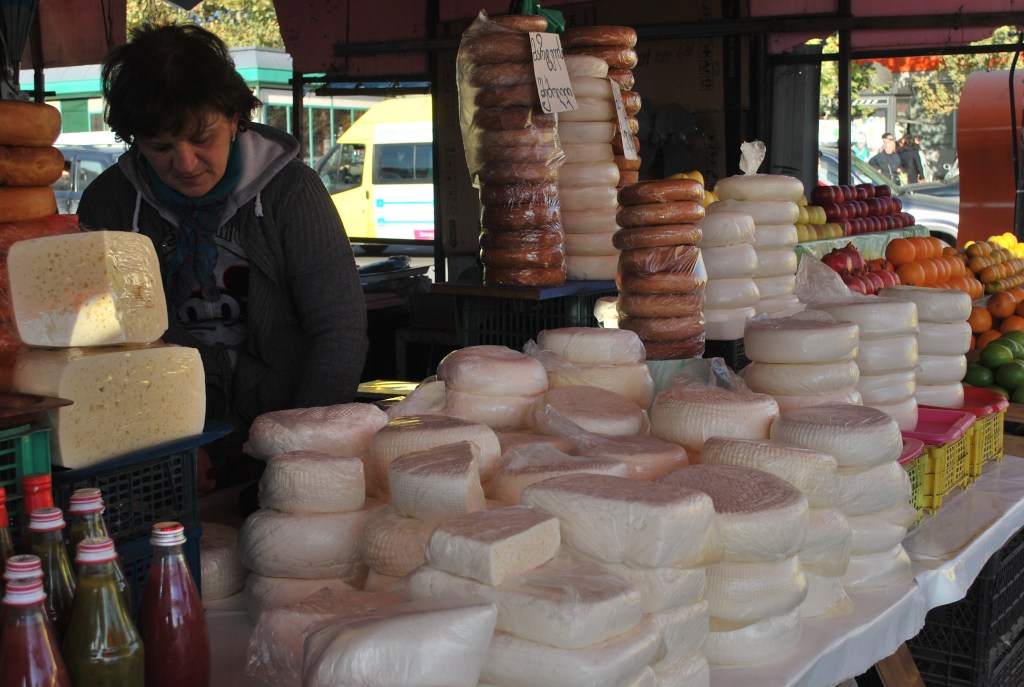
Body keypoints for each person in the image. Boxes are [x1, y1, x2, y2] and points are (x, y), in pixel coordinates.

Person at [77, 23, 369, 492]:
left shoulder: (290, 192)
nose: (186, 163)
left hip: (292, 421)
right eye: (161, 147)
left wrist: (297, 447)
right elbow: (105, 349)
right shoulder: (109, 206)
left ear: (235, 119)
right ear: (134, 140)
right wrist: (164, 445)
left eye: (202, 138)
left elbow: (339, 331)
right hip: (172, 440)